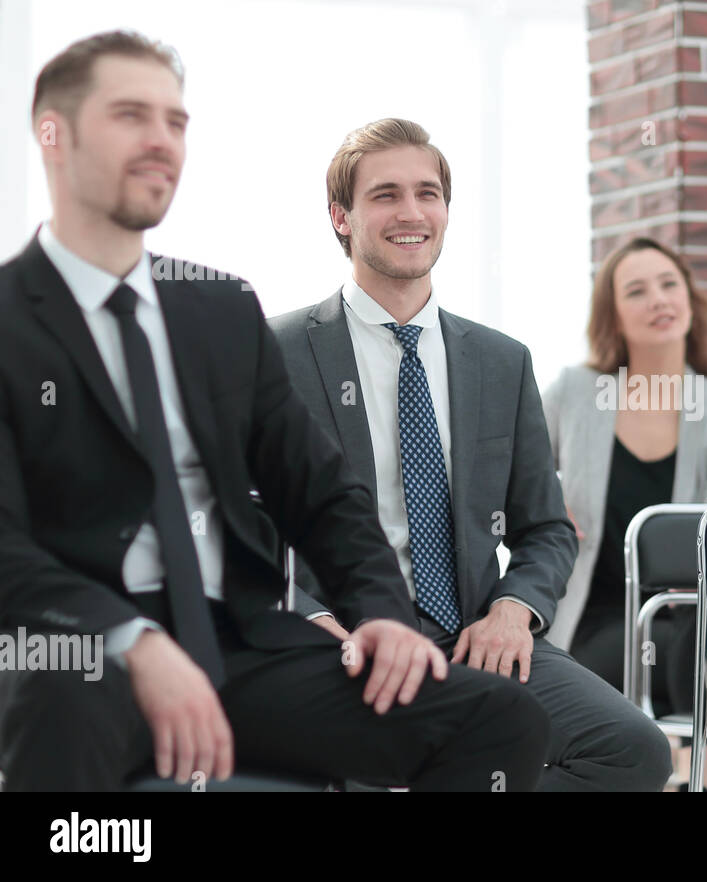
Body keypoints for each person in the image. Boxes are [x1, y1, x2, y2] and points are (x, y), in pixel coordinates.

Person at [0, 31, 549, 792]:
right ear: (51, 135)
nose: (162, 140)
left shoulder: (218, 308)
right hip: (79, 653)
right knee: (67, 717)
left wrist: (381, 612)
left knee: (497, 717)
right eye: (131, 115)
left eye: (176, 121)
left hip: (242, 644)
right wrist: (134, 639)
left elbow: (319, 491)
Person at [268, 118, 672, 792]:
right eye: (385, 195)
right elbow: (245, 530)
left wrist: (513, 611)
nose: (411, 213)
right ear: (341, 217)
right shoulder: (276, 353)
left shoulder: (500, 361)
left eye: (428, 193)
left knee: (633, 751)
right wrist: (318, 625)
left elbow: (545, 530)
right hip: (344, 639)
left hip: (475, 638)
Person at [542, 237, 707, 789]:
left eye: (669, 284)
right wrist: (540, 508)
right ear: (613, 315)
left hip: (695, 615)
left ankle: (695, 761)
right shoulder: (575, 393)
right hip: (600, 619)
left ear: (690, 301)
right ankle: (699, 765)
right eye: (637, 291)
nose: (658, 300)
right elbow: (504, 474)